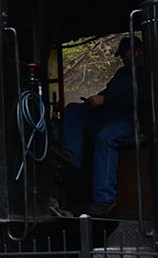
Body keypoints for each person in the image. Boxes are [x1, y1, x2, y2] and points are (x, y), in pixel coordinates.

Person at [57, 36, 144, 216]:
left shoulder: (146, 73)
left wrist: (105, 100)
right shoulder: (121, 73)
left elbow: (137, 100)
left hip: (131, 120)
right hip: (108, 116)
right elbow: (109, 92)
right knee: (73, 110)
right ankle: (70, 161)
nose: (124, 59)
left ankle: (105, 199)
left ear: (138, 51)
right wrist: (93, 100)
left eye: (127, 54)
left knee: (106, 136)